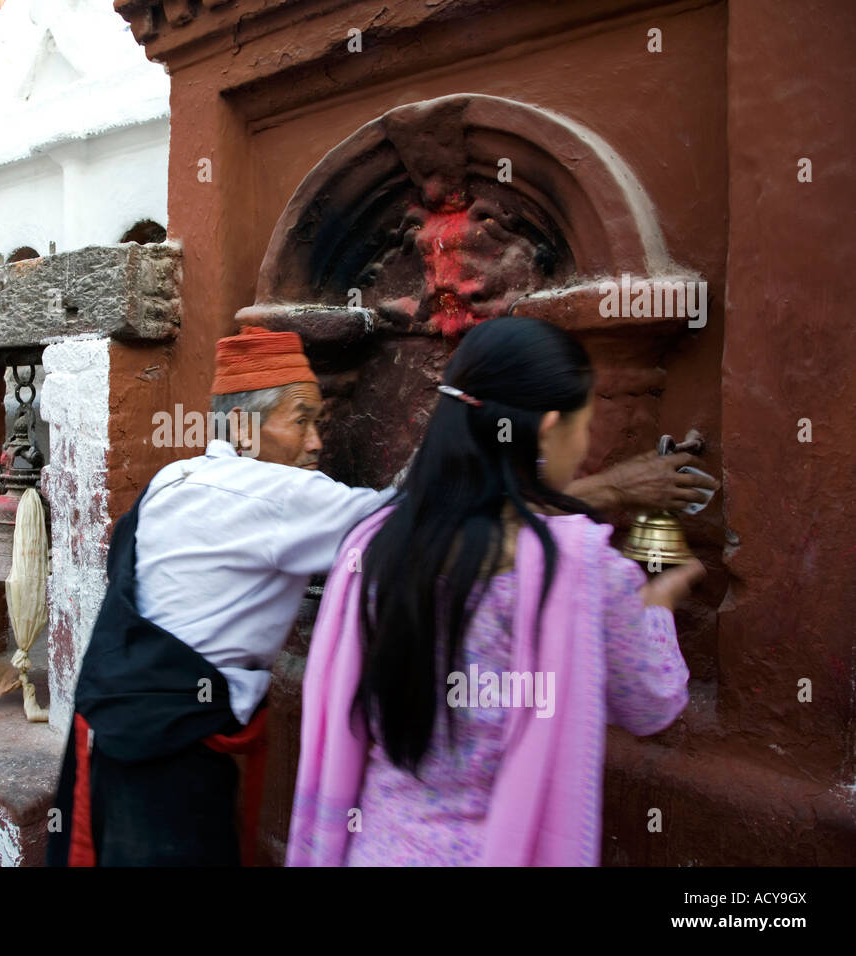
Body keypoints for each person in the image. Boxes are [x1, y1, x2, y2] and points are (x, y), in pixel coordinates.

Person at [47, 324, 714, 867]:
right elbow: (431, 512)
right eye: (300, 420)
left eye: (318, 419)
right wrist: (619, 493)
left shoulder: (175, 478)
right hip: (174, 747)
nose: (316, 442)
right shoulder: (288, 499)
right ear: (245, 430)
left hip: (123, 724)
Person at [287, 316, 707, 867]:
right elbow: (650, 704)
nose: (584, 443)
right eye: (585, 424)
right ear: (551, 428)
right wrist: (655, 608)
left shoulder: (374, 547)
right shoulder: (578, 568)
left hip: (380, 846)